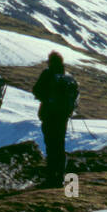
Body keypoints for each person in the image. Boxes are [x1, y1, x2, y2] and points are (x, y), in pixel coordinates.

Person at [32, 51, 79, 186]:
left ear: (50, 61)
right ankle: (60, 176)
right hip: (63, 115)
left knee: (50, 145)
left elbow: (36, 90)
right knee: (59, 144)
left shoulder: (48, 73)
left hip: (49, 114)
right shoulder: (67, 76)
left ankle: (51, 177)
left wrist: (46, 99)